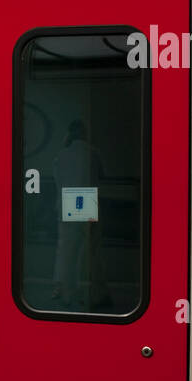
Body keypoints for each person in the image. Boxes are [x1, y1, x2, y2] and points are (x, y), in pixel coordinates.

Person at [51, 120, 109, 310]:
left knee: (68, 251)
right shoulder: (93, 153)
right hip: (88, 200)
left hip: (68, 200)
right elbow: (101, 176)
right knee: (92, 250)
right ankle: (98, 293)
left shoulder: (61, 155)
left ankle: (68, 293)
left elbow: (57, 179)